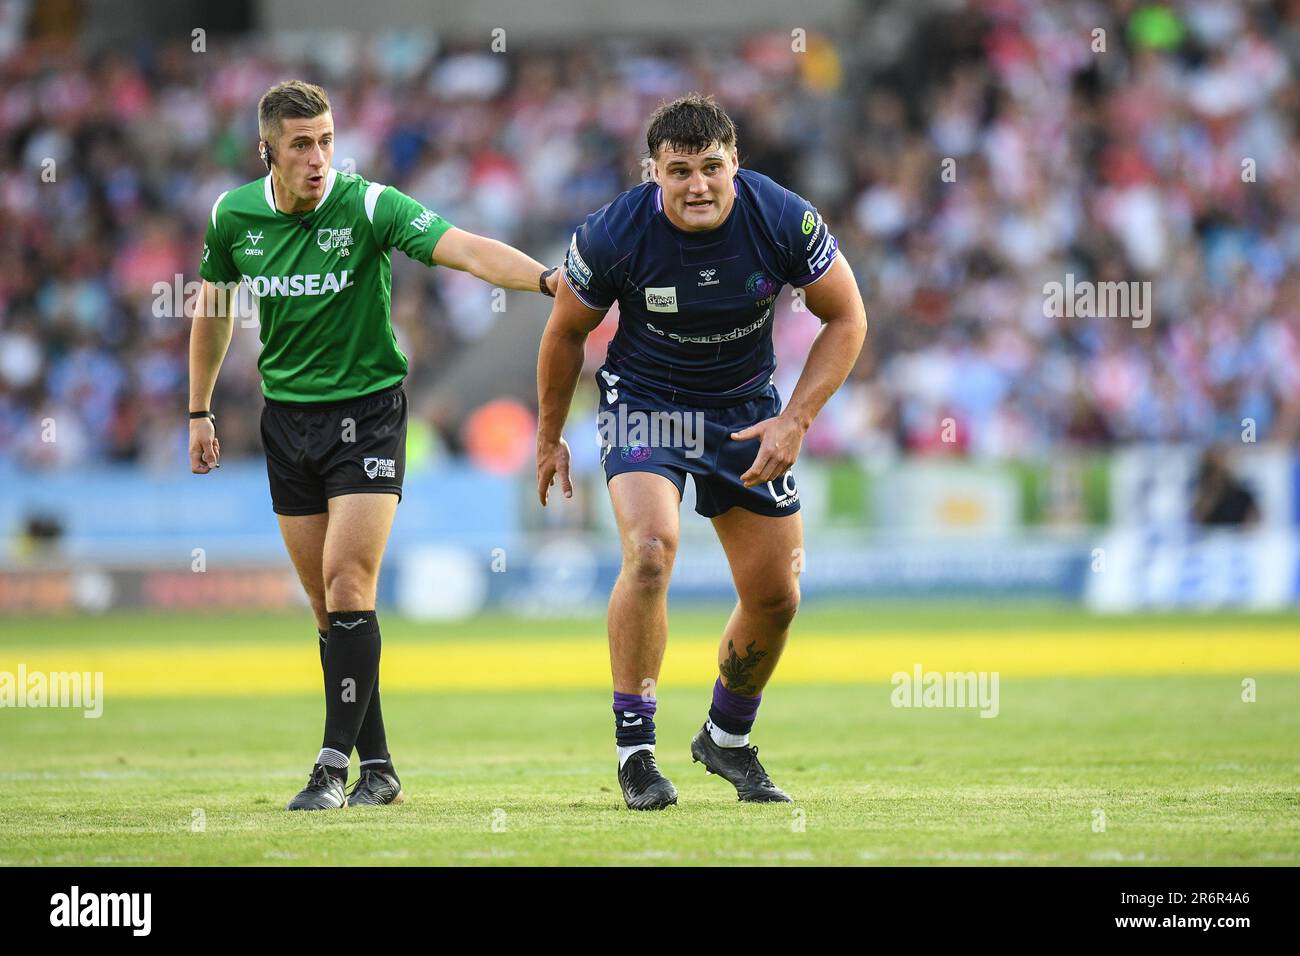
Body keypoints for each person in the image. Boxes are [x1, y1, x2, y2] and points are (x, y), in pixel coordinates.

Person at [189, 79, 558, 810]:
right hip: (286, 421)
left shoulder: (368, 204)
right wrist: (198, 410)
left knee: (349, 582)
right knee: (329, 610)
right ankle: (380, 767)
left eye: (327, 140)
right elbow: (212, 310)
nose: (319, 157)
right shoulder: (232, 216)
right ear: (268, 150)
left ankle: (330, 767)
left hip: (368, 415)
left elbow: (466, 250)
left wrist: (548, 279)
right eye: (301, 145)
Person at [535, 93, 867, 809]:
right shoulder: (612, 235)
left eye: (712, 167)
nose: (698, 186)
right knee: (651, 550)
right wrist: (548, 435)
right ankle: (636, 754)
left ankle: (726, 740)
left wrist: (796, 420)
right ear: (652, 171)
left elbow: (847, 316)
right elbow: (564, 333)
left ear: (736, 164)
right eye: (679, 170)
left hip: (745, 414)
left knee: (776, 597)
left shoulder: (783, 217)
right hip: (646, 408)